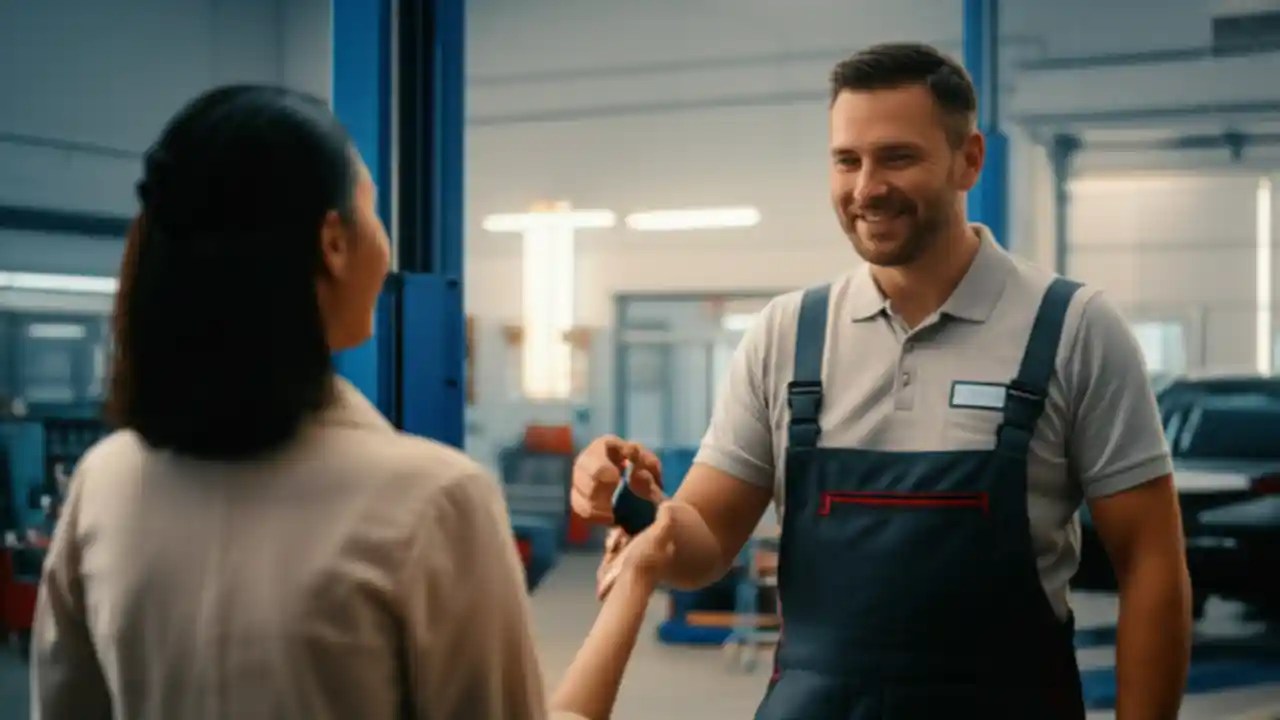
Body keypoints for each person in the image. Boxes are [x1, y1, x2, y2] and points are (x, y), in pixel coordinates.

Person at [575, 43, 1192, 719]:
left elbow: (1150, 563)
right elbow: (703, 550)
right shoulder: (787, 335)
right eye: (847, 160)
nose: (866, 188)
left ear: (969, 160)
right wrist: (643, 511)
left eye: (897, 157)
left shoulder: (1074, 329)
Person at [31, 84, 666, 720]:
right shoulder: (434, 501)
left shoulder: (106, 481)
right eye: (373, 210)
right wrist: (635, 580)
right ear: (333, 242)